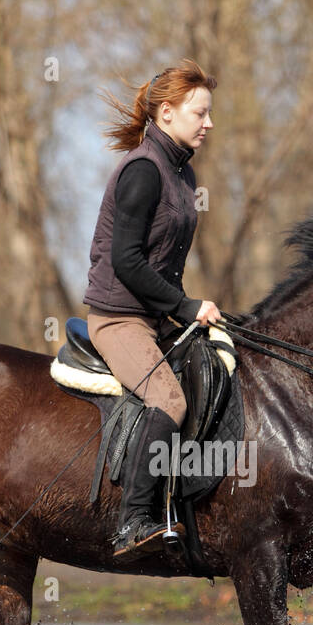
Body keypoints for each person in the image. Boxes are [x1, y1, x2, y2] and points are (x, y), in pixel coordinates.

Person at [83, 59, 222, 560]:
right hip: (117, 319)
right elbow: (127, 261)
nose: (209, 123)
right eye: (200, 113)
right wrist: (185, 306)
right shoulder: (144, 170)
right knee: (171, 400)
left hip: (154, 317)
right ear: (167, 113)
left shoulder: (182, 172)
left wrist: (183, 312)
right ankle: (132, 521)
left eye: (209, 113)